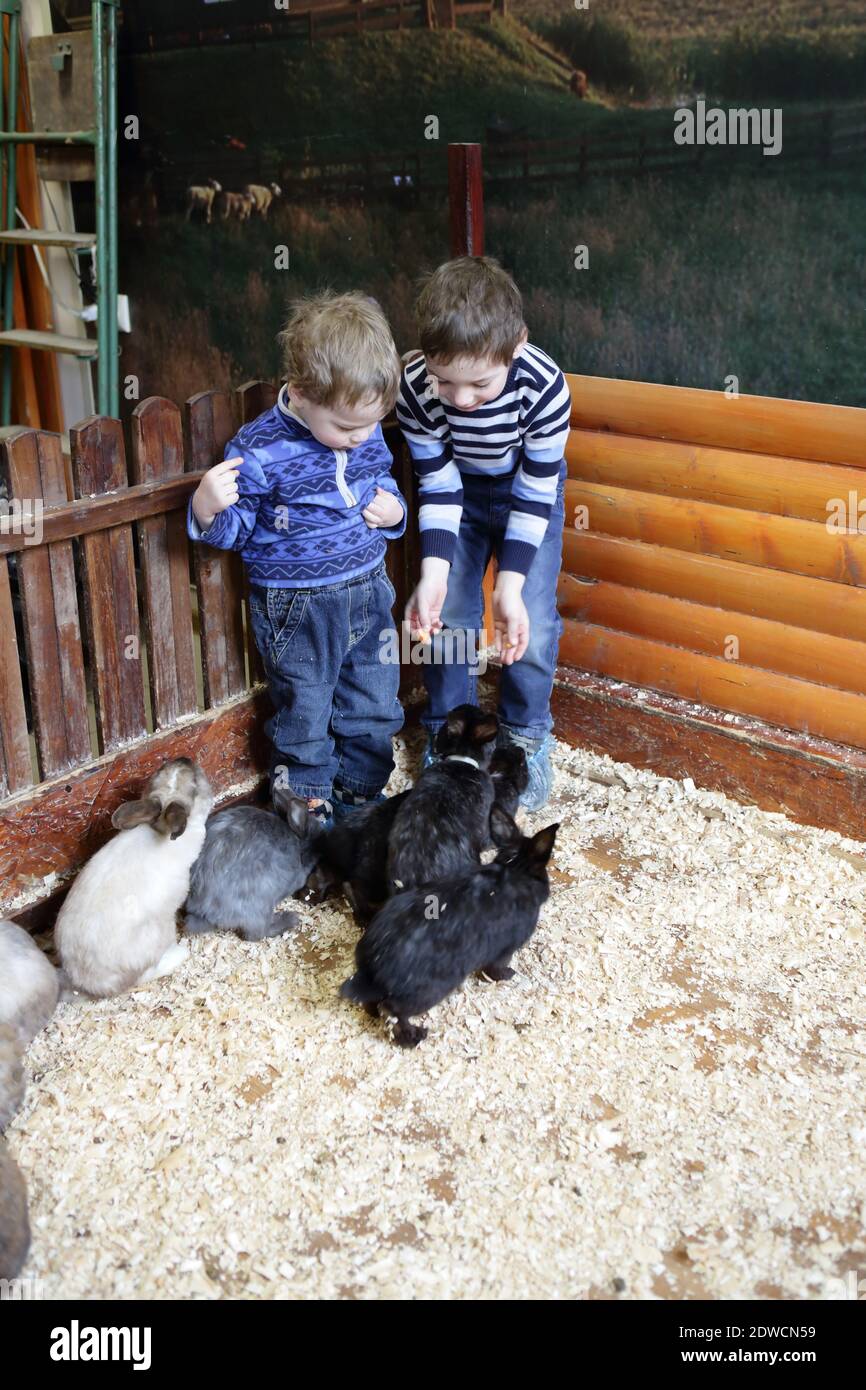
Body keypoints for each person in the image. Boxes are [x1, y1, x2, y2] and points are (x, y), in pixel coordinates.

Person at [188, 291, 407, 827]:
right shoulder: (260, 448)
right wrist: (206, 508)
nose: (360, 439)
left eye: (369, 425)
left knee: (373, 701)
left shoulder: (363, 426)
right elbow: (240, 532)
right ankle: (307, 820)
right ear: (304, 393)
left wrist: (393, 509)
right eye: (348, 428)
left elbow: (378, 475)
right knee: (304, 711)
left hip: (368, 589)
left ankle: (360, 802)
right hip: (297, 607)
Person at [396, 256, 571, 811]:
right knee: (448, 617)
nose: (462, 399)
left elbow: (538, 488)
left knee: (532, 620)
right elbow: (437, 482)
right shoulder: (416, 387)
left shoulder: (545, 388)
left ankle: (524, 737)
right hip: (459, 498)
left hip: (528, 495)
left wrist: (511, 584)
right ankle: (451, 738)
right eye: (446, 381)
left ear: (515, 346)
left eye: (479, 383)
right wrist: (433, 573)